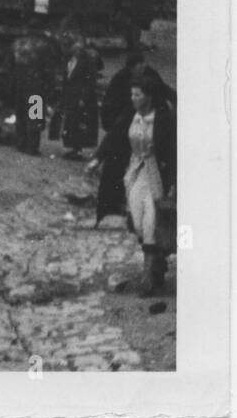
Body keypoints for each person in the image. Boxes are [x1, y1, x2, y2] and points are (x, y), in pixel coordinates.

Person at [87, 78, 176, 293]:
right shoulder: (130, 116)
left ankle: (149, 277)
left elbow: (174, 152)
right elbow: (114, 136)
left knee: (151, 222)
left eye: (138, 95)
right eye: (132, 95)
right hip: (135, 172)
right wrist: (97, 158)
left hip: (157, 175)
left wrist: (174, 182)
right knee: (137, 222)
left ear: (149, 97)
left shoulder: (165, 119)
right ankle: (158, 261)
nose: (134, 99)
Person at [7, 28, 62, 155]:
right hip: (36, 86)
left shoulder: (17, 44)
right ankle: (32, 147)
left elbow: (8, 66)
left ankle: (20, 143)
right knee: (34, 116)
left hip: (19, 85)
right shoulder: (43, 46)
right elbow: (49, 69)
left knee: (20, 115)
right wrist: (50, 86)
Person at [59, 35, 103, 160]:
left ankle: (77, 149)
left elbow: (90, 81)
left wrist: (84, 98)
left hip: (81, 97)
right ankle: (73, 147)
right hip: (71, 95)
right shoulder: (69, 59)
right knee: (71, 122)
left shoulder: (87, 61)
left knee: (79, 123)